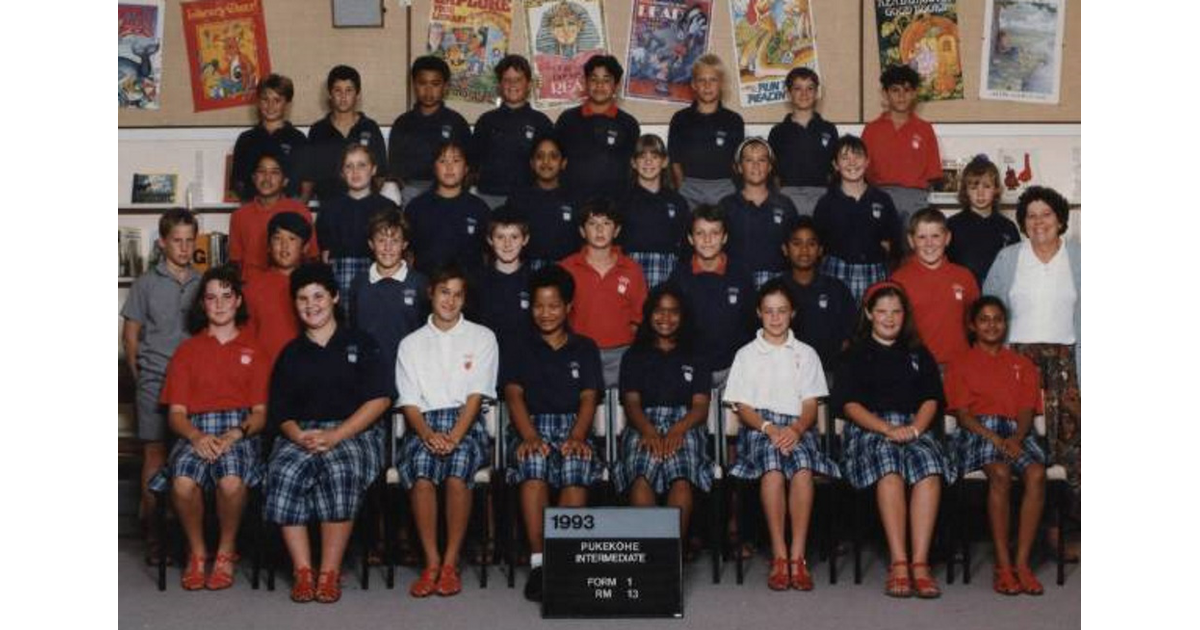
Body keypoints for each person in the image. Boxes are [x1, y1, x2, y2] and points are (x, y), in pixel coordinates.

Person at [265, 263, 392, 604]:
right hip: (301, 433)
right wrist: (298, 437)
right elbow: (280, 413)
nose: (311, 305)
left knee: (340, 471)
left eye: (319, 296)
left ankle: (329, 573)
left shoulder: (362, 343)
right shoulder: (290, 354)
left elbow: (380, 399)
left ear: (334, 297)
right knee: (285, 471)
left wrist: (337, 435)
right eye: (303, 298)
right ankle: (303, 571)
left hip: (353, 430)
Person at [832, 282, 955, 599]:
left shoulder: (917, 352)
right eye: (882, 311)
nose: (889, 318)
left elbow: (931, 399)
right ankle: (899, 562)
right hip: (870, 429)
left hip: (913, 427)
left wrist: (915, 429)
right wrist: (886, 429)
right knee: (890, 470)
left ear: (905, 315)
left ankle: (920, 563)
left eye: (896, 312)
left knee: (929, 468)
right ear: (870, 314)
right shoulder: (854, 354)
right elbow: (849, 405)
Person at [154, 265, 269, 590]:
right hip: (196, 430)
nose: (219, 304)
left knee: (231, 481)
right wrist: (196, 436)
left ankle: (225, 551)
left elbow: (260, 413)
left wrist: (235, 433)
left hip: (239, 430)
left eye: (226, 296)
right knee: (183, 483)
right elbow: (176, 414)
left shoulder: (255, 350)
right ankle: (198, 552)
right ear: (202, 305)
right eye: (211, 298)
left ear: (238, 301)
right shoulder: (187, 351)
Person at [983, 185, 1080, 560]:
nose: (1039, 222)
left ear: (1060, 220)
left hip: (1067, 365)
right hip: (1017, 364)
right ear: (1023, 223)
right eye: (1031, 215)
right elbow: (988, 311)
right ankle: (1022, 536)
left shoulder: (1079, 257)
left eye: (1046, 214)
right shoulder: (1009, 258)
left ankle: (1061, 530)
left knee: (1071, 450)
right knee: (1022, 444)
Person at [724, 280, 839, 591]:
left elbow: (810, 404)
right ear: (759, 314)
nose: (775, 318)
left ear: (793, 313)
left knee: (802, 469)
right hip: (760, 429)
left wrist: (796, 430)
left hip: (799, 427)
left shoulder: (806, 353)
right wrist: (769, 429)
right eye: (769, 311)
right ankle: (779, 555)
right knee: (773, 470)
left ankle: (797, 557)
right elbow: (743, 406)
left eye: (782, 311)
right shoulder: (747, 354)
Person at [502, 265, 604, 602]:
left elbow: (589, 397)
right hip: (532, 424)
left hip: (573, 425)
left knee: (574, 470)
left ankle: (563, 561)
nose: (545, 314)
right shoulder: (519, 345)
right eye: (538, 306)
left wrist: (577, 435)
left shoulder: (585, 347)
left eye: (553, 306)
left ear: (568, 307)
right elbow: (514, 395)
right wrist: (529, 435)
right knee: (533, 469)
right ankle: (539, 563)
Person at [396, 266, 499, 598]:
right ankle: (431, 562)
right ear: (431, 294)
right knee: (422, 475)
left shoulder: (482, 337)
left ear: (464, 299)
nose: (450, 300)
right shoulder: (410, 344)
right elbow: (409, 401)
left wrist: (455, 435)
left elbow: (475, 396)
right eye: (444, 292)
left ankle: (451, 563)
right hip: (423, 424)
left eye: (457, 294)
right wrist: (427, 434)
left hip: (465, 424)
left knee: (457, 472)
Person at [945, 296, 1047, 596]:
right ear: (973, 326)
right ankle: (1003, 565)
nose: (992, 325)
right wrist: (995, 439)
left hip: (1016, 431)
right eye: (984, 319)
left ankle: (1022, 563)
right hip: (979, 431)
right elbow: (963, 416)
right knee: (1000, 473)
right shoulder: (960, 363)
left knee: (1037, 474)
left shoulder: (1022, 364)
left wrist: (1016, 438)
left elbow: (1027, 408)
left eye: (998, 319)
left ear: (1005, 324)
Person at [121, 209, 202, 566]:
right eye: (177, 241)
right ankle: (155, 538)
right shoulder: (145, 284)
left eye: (189, 241)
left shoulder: (203, 283)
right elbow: (131, 335)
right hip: (155, 378)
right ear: (162, 243)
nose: (184, 248)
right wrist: (141, 377)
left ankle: (189, 538)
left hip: (194, 384)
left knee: (189, 457)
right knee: (154, 456)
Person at [615, 287, 713, 542]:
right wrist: (648, 430)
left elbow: (700, 406)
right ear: (648, 314)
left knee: (679, 474)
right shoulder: (634, 356)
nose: (666, 318)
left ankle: (671, 559)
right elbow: (632, 402)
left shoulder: (697, 355)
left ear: (683, 316)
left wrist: (678, 429)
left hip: (686, 423)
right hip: (643, 423)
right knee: (641, 473)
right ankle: (650, 557)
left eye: (673, 312)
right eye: (659, 311)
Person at [559, 198, 649, 389]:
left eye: (606, 223)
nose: (600, 230)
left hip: (621, 354)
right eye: (593, 224)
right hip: (580, 353)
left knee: (621, 413)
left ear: (616, 230)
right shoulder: (566, 268)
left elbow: (639, 318)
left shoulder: (632, 269)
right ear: (582, 231)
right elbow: (560, 316)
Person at [665, 203, 757, 386]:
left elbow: (751, 323)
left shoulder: (741, 275)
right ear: (691, 238)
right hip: (691, 368)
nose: (707, 240)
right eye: (700, 233)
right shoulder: (679, 277)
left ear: (725, 237)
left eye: (714, 233)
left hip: (734, 368)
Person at [812, 135, 903, 303]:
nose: (852, 163)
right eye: (845, 158)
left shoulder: (882, 199)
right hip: (836, 271)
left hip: (874, 270)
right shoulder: (826, 203)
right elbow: (819, 244)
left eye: (857, 156)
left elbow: (894, 241)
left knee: (874, 323)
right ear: (835, 165)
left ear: (867, 161)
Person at [315, 144, 398, 317]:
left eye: (362, 165)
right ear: (342, 173)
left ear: (373, 169)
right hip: (341, 276)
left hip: (378, 273)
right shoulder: (330, 209)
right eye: (349, 166)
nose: (355, 171)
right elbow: (325, 255)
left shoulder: (387, 208)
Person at [891, 208, 980, 367]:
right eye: (922, 237)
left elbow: (975, 324)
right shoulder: (899, 280)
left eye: (936, 236)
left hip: (959, 365)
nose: (929, 243)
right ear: (911, 241)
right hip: (916, 367)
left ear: (947, 238)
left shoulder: (964, 277)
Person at [349, 207, 429, 380]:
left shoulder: (419, 283)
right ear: (371, 244)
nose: (387, 247)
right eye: (381, 240)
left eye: (394, 240)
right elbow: (353, 330)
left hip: (409, 372)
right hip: (369, 373)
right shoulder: (359, 283)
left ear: (404, 244)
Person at [861, 65, 942, 226]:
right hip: (880, 196)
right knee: (881, 248)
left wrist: (917, 197)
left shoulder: (925, 130)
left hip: (915, 199)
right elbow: (863, 172)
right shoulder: (872, 129)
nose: (901, 96)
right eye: (895, 90)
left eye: (907, 90)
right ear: (885, 94)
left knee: (913, 248)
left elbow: (933, 173)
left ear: (914, 93)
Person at [554, 54, 640, 203]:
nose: (599, 85)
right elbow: (555, 163)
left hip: (614, 207)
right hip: (572, 202)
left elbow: (633, 170)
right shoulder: (567, 120)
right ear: (586, 82)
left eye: (606, 80)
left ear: (616, 85)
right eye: (594, 79)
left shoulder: (629, 124)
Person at [470, 54, 553, 209]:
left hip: (529, 197)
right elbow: (473, 164)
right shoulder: (485, 121)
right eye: (507, 80)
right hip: (489, 197)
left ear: (528, 84)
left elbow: (550, 165)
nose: (512, 84)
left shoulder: (542, 122)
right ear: (499, 85)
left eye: (518, 79)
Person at [387, 56, 471, 205]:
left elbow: (468, 166)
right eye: (422, 83)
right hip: (411, 191)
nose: (428, 90)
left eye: (435, 84)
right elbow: (394, 167)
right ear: (414, 85)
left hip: (449, 191)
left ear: (445, 86)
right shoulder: (403, 123)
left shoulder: (457, 122)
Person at [719, 137, 800, 288]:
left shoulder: (785, 205)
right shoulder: (727, 205)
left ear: (770, 166)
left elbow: (794, 247)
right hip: (736, 281)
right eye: (749, 160)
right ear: (739, 167)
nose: (756, 166)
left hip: (777, 281)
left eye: (762, 160)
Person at [779, 217, 857, 373]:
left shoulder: (837, 289)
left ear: (821, 250)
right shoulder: (775, 289)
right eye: (797, 243)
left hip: (828, 373)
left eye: (811, 244)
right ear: (785, 249)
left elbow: (850, 335)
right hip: (784, 373)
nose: (804, 250)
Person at [403, 140, 490, 277]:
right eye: (443, 161)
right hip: (428, 288)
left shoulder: (479, 209)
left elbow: (487, 255)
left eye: (456, 161)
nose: (449, 168)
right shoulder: (416, 208)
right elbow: (408, 253)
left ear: (466, 168)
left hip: (468, 288)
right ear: (434, 167)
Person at [668, 53, 743, 209]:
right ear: (693, 84)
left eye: (713, 80)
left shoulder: (734, 120)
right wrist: (683, 187)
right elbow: (675, 160)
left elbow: (737, 163)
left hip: (724, 188)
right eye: (702, 80)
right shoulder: (680, 119)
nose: (707, 86)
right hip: (689, 188)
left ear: (721, 84)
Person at [306, 65, 389, 204]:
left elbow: (380, 174)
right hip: (329, 206)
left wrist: (368, 199)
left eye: (349, 90)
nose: (343, 97)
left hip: (364, 204)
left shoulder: (370, 127)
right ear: (330, 94)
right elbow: (310, 175)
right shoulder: (318, 130)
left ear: (357, 94)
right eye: (338, 90)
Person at [229, 151, 319, 272]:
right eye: (261, 171)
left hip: (291, 285)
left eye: (275, 172)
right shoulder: (239, 216)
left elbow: (311, 257)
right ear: (254, 177)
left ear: (285, 181)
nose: (267, 178)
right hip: (251, 286)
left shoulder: (300, 211)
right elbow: (236, 261)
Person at [619, 134, 690, 288]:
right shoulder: (623, 201)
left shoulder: (677, 202)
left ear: (665, 162)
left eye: (655, 156)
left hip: (668, 268)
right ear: (633, 162)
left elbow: (685, 244)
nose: (648, 161)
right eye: (642, 156)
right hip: (630, 268)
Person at [231, 73, 311, 203]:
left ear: (287, 103)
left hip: (288, 213)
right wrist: (252, 209)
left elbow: (307, 184)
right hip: (256, 212)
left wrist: (296, 211)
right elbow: (238, 182)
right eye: (265, 99)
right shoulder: (246, 139)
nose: (270, 106)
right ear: (258, 102)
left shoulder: (298, 139)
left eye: (277, 100)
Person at [769, 67, 838, 217]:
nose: (804, 94)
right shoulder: (778, 132)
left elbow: (835, 170)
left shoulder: (829, 129)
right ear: (788, 93)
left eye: (810, 88)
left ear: (816, 93)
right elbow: (772, 173)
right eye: (798, 89)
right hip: (788, 194)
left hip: (822, 194)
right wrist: (779, 196)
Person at [243, 211, 309, 365]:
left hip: (306, 368)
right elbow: (247, 336)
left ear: (305, 247)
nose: (284, 246)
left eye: (292, 239)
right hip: (266, 368)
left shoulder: (314, 286)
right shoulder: (253, 288)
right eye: (277, 238)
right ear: (268, 246)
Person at [508, 135, 581, 270]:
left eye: (553, 156)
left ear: (563, 163)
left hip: (567, 269)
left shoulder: (575, 197)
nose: (546, 162)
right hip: (527, 268)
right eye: (540, 156)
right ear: (532, 163)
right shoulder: (518, 198)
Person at [946, 155, 1020, 285]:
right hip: (964, 295)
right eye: (974, 188)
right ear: (965, 191)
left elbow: (1016, 270)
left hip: (998, 297)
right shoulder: (952, 226)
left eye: (986, 186)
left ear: (996, 189)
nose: (980, 194)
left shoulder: (1008, 227)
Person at [469, 207, 533, 354]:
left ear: (525, 239)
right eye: (500, 237)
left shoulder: (535, 281)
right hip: (485, 358)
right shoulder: (476, 282)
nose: (507, 244)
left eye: (514, 237)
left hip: (526, 360)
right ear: (489, 239)